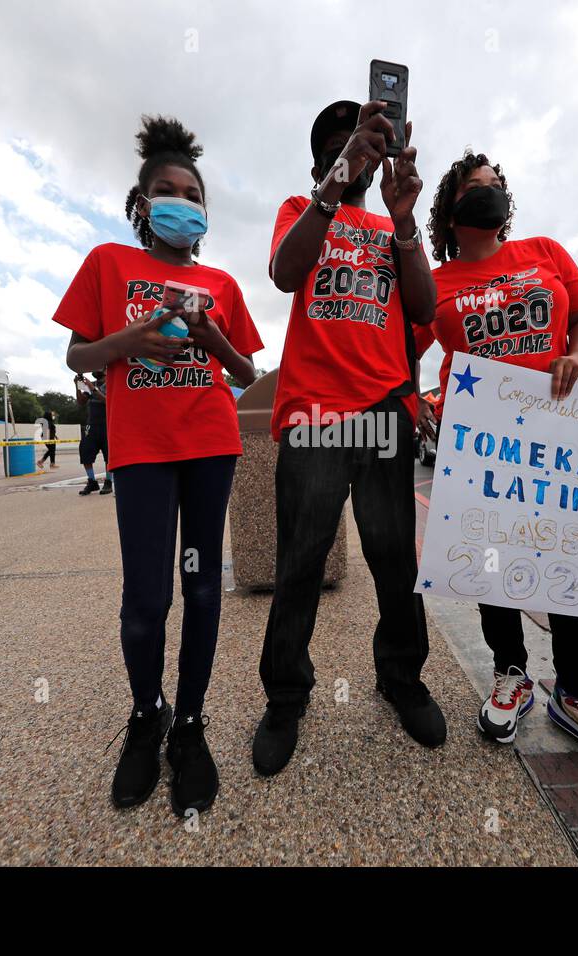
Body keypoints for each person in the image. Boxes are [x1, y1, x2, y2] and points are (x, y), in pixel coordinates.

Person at [414, 149, 578, 788]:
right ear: (452, 206)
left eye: (495, 185)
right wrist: (411, 405)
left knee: (569, 561)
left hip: (556, 434)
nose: (488, 193)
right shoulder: (434, 284)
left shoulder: (544, 252)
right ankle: (511, 673)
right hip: (482, 440)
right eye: (474, 187)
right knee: (495, 562)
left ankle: (576, 692)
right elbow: (398, 352)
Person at [53, 115, 263, 816]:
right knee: (147, 601)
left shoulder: (222, 284)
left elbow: (246, 370)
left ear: (204, 210)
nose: (181, 202)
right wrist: (129, 339)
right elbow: (77, 357)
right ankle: (149, 714)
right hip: (142, 454)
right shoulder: (108, 264)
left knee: (201, 590)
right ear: (143, 205)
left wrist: (210, 334)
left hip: (210, 447)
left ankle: (193, 727)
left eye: (193, 193)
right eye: (167, 191)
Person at [252, 98, 444, 777]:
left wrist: (404, 219)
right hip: (313, 415)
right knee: (300, 560)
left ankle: (401, 678)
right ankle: (285, 696)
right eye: (341, 145)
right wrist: (334, 185)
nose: (357, 153)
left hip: (384, 411)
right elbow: (283, 274)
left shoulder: (388, 219)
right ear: (320, 162)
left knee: (394, 559)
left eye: (364, 143)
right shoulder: (300, 209)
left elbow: (423, 309)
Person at [75, 371, 112, 494]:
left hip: (107, 425)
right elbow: (81, 402)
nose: (94, 369)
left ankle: (108, 482)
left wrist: (93, 388)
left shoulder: (111, 383)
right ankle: (92, 482)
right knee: (85, 452)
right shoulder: (92, 384)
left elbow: (108, 401)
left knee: (109, 456)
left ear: (106, 370)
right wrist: (78, 386)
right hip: (91, 425)